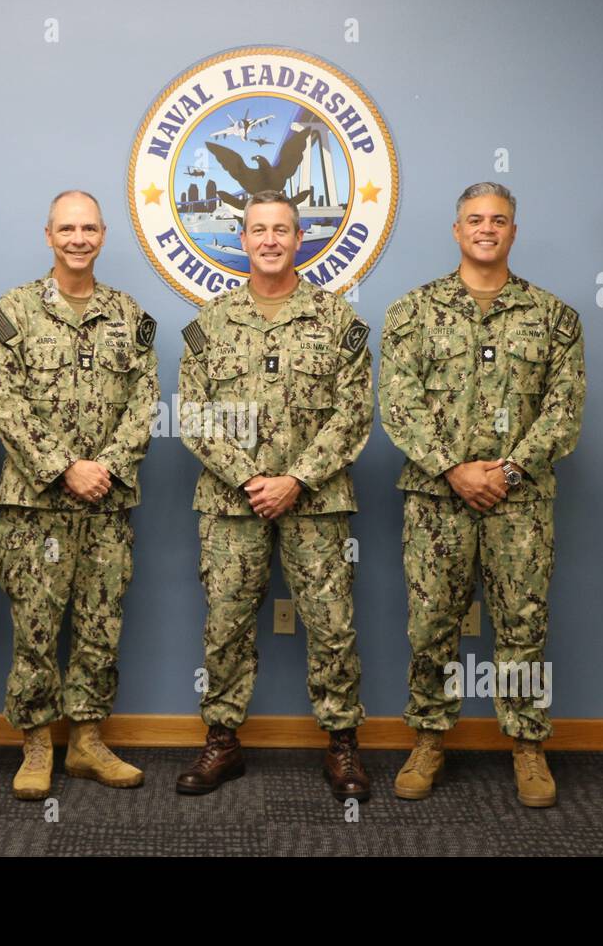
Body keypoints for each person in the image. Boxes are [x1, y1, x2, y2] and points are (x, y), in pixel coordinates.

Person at [379, 181, 586, 807]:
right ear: (457, 230)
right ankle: (428, 738)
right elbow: (397, 402)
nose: (486, 228)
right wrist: (453, 469)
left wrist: (509, 471)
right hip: (436, 501)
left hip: (519, 502)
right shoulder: (412, 311)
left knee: (523, 625)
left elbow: (565, 408)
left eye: (499, 219)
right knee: (431, 624)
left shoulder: (554, 316)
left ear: (514, 232)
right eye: (474, 219)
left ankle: (527, 744)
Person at [175, 189, 374, 801]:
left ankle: (342, 745)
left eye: (281, 230)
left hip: (315, 501)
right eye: (258, 229)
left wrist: (295, 479)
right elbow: (193, 412)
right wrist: (249, 479)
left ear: (297, 238)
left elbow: (355, 411)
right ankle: (222, 742)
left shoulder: (338, 320)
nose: (269, 240)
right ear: (242, 239)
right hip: (232, 504)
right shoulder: (209, 323)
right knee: (225, 626)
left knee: (333, 625)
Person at [0, 190, 159, 800]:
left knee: (99, 623)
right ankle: (35, 744)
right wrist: (64, 468)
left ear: (103, 235)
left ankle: (85, 742)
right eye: (67, 228)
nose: (78, 238)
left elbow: (144, 403)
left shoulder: (128, 314)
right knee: (34, 624)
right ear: (49, 235)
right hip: (37, 505)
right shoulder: (15, 311)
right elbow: (2, 401)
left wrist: (103, 466)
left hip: (107, 501)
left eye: (89, 228)